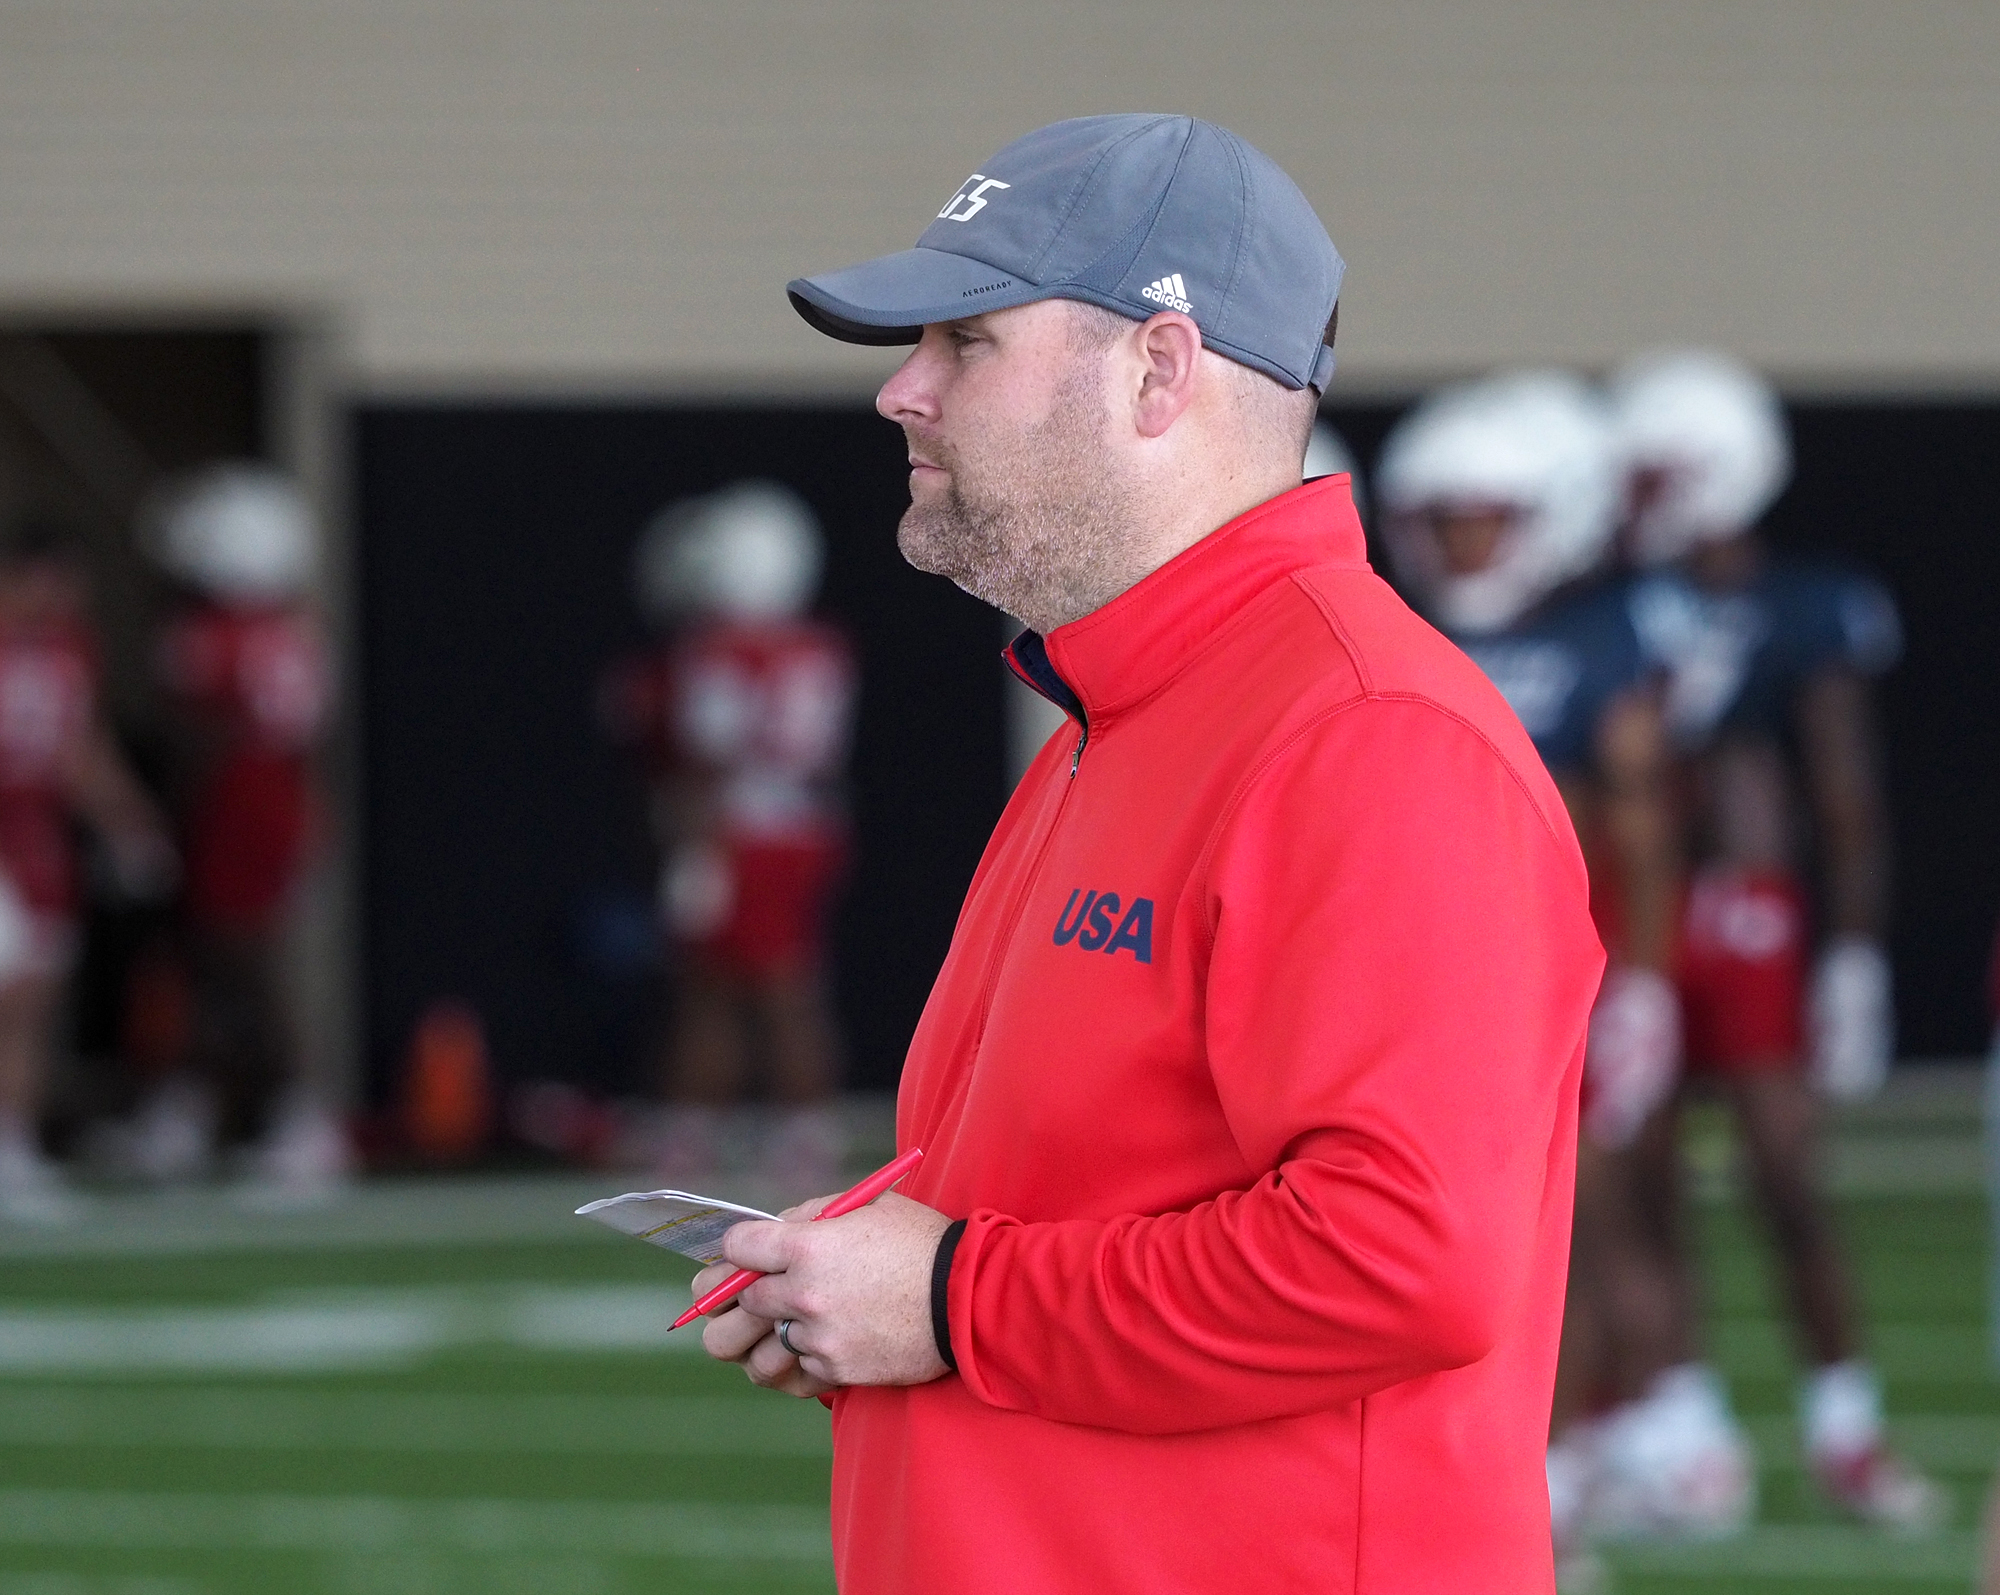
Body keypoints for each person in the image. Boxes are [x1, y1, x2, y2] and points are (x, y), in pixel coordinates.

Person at [687, 114, 1603, 1592]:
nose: (901, 391)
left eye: (966, 340)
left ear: (1159, 370)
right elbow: (1078, 1200)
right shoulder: (1113, 720)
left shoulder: (1367, 734)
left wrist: (946, 1293)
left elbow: (1400, 1256)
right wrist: (861, 1287)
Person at [1378, 371, 1709, 1558]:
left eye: (1491, 512)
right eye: (1451, 511)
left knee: (1588, 1223)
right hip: (1441, 983)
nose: (1466, 535)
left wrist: (1648, 986)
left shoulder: (1594, 639)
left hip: (1565, 979)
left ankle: (1578, 1455)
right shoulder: (1394, 627)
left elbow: (1641, 826)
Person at [1611, 349, 1942, 1530]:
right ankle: (1687, 1429)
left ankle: (1843, 1428)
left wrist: (1852, 952)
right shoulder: (1616, 596)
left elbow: (1843, 793)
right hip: (1638, 913)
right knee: (1640, 1183)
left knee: (1785, 1177)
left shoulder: (1805, 601)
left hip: (1744, 910)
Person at [602, 481, 855, 1191]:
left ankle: (709, 1133)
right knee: (782, 983)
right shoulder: (818, 647)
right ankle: (787, 1132)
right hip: (804, 826)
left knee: (732, 987)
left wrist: (694, 849)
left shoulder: (716, 650)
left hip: (740, 833)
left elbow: (706, 757)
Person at [117, 464, 347, 1200]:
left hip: (235, 806)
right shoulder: (295, 631)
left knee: (239, 965)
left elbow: (199, 737)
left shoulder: (211, 635)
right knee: (217, 968)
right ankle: (191, 1109)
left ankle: (297, 1118)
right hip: (281, 799)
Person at [0, 519, 176, 1223]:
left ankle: (11, 1147)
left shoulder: (71, 649)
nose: (68, 595)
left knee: (35, 1002)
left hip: (40, 837)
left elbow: (81, 749)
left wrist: (130, 819)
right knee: (14, 992)